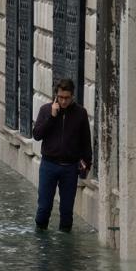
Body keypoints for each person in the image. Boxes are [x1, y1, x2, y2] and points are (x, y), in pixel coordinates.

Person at [31, 78, 93, 232]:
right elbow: (37, 135)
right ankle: (41, 241)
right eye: (61, 97)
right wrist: (52, 117)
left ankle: (65, 250)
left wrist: (87, 164)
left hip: (70, 168)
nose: (64, 101)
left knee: (66, 212)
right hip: (48, 166)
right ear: (56, 96)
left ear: (72, 96)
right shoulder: (46, 110)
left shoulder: (81, 113)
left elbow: (86, 142)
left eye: (67, 98)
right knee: (44, 208)